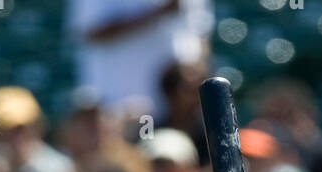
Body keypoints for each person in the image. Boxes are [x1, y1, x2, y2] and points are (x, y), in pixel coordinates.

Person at [67, 0, 213, 114]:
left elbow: (201, 34)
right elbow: (92, 32)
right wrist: (161, 12)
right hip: (119, 108)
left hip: (178, 109)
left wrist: (194, 80)